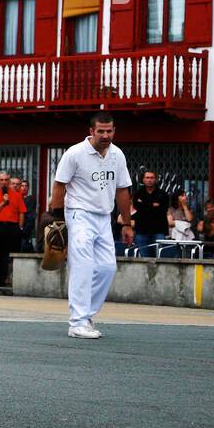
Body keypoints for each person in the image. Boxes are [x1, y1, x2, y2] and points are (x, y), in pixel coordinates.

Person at [47, 112, 132, 339]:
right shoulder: (75, 153)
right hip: (78, 213)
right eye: (101, 131)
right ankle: (77, 322)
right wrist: (56, 219)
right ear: (91, 131)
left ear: (114, 131)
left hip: (104, 216)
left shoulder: (118, 155)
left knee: (107, 267)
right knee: (82, 264)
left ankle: (86, 316)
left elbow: (123, 190)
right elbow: (59, 186)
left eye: (109, 131)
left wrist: (127, 223)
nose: (105, 135)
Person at [0, 170, 27, 287]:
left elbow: (22, 212)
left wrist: (20, 227)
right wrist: (3, 203)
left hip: (13, 227)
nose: (4, 182)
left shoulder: (17, 196)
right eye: (1, 180)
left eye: (6, 180)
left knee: (10, 254)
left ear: (9, 181)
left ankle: (8, 279)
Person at [130, 170, 172, 257]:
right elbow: (138, 209)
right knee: (145, 257)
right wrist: (153, 205)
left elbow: (162, 211)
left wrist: (144, 205)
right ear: (143, 180)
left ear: (156, 179)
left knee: (159, 256)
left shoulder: (162, 194)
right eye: (147, 177)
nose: (149, 180)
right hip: (142, 230)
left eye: (152, 178)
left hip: (158, 229)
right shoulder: (138, 194)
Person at [19, 180, 37, 252]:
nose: (24, 188)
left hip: (27, 225)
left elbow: (29, 213)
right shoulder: (18, 197)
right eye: (22, 186)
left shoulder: (30, 198)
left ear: (28, 188)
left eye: (26, 186)